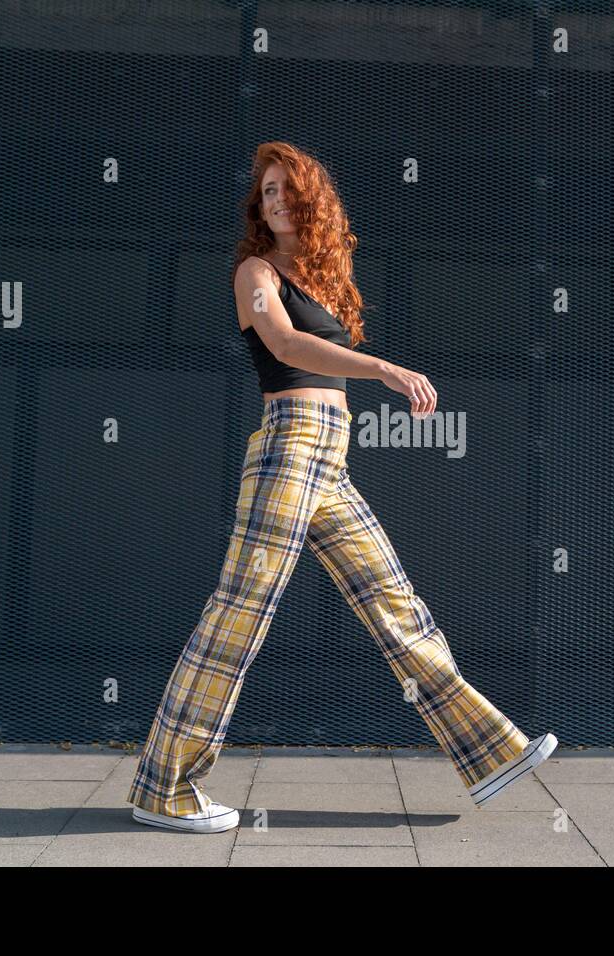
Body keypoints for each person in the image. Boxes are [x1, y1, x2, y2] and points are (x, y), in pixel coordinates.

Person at [127, 141, 556, 833]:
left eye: (282, 189)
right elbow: (288, 347)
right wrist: (384, 369)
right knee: (240, 611)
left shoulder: (326, 277)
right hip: (288, 450)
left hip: (331, 459)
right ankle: (164, 787)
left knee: (394, 602)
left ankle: (488, 749)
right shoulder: (254, 273)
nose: (271, 201)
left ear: (310, 199)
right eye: (263, 193)